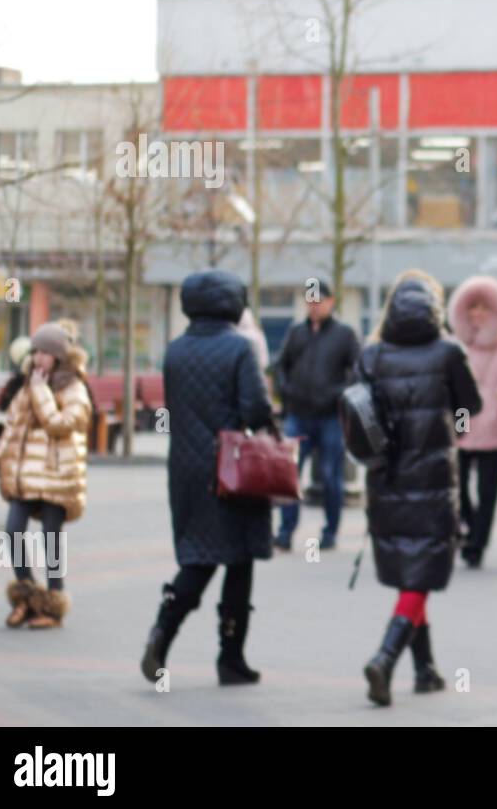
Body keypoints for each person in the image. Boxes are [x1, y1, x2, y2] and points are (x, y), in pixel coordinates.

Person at [141, 270, 276, 686]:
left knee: (198, 557)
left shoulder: (176, 350)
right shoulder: (240, 348)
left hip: (184, 468)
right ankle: (230, 657)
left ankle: (163, 631)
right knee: (238, 559)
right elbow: (253, 409)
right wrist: (271, 423)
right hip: (232, 468)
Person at [358, 271, 481, 707]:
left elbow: (360, 415)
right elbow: (472, 407)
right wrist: (456, 429)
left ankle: (425, 670)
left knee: (412, 570)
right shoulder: (448, 352)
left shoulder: (372, 354)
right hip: (432, 477)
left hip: (386, 478)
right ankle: (385, 658)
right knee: (422, 573)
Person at [0, 321, 91, 630]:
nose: (38, 359)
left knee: (51, 538)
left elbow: (61, 424)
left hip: (56, 474)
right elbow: (14, 424)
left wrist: (40, 392)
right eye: (36, 352)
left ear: (60, 356)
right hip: (25, 473)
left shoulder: (75, 388)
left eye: (46, 353)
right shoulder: (29, 383)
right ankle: (26, 594)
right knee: (13, 531)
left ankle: (53, 600)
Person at [273, 278, 360, 551]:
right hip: (299, 414)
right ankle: (286, 531)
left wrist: (337, 394)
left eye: (319, 300)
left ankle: (330, 531)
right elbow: (280, 366)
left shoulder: (344, 334)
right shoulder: (296, 333)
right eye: (310, 301)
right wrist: (285, 390)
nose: (314, 305)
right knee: (289, 475)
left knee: (330, 474)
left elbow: (357, 372)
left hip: (330, 417)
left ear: (330, 302)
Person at [447, 275, 497, 568]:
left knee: (488, 490)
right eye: (472, 306)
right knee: (459, 484)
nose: (477, 313)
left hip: (493, 422)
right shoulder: (454, 344)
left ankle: (477, 543)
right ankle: (468, 525)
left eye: (484, 307)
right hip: (463, 421)